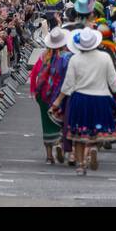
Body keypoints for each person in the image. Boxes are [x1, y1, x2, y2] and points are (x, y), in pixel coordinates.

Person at [51, 26, 116, 175]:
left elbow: (68, 84)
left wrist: (58, 101)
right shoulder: (105, 58)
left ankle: (81, 165)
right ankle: (92, 148)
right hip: (101, 100)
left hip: (80, 99)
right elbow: (114, 81)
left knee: (79, 134)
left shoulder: (75, 59)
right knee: (95, 130)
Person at [29, 26, 72, 164]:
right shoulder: (66, 57)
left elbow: (34, 74)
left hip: (43, 94)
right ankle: (59, 144)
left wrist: (34, 92)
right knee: (61, 121)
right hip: (59, 95)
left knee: (46, 123)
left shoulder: (43, 56)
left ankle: (49, 156)